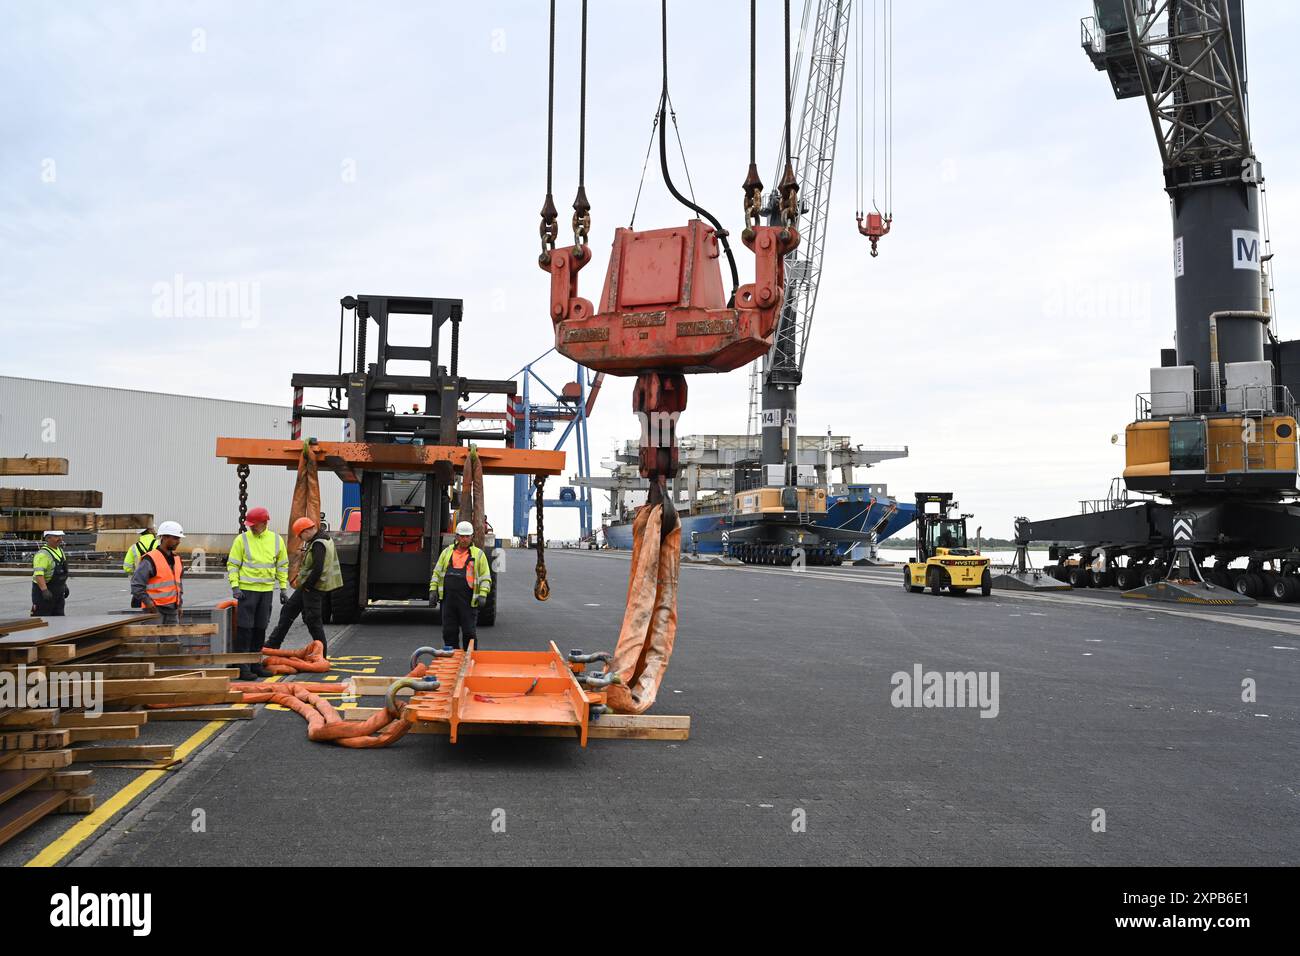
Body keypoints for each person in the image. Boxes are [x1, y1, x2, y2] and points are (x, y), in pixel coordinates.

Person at [225, 506, 287, 680]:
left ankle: (256, 664)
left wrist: (283, 588)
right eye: (250, 524)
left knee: (260, 628)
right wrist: (235, 586)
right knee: (245, 629)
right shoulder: (242, 539)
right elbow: (233, 564)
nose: (251, 527)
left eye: (254, 524)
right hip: (246, 592)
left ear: (265, 522)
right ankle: (243, 666)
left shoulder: (276, 540)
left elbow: (282, 566)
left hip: (266, 592)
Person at [266, 516, 342, 655]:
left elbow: (318, 568)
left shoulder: (318, 544)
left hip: (313, 588)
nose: (302, 539)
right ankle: (273, 644)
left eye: (301, 535)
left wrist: (307, 586)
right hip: (309, 586)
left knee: (312, 619)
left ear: (306, 531)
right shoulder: (323, 539)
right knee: (289, 610)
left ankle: (321, 654)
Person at [429, 520, 492, 650]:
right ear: (456, 536)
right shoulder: (447, 553)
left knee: (469, 633)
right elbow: (437, 572)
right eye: (461, 536)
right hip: (448, 601)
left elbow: (486, 577)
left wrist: (483, 594)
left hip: (468, 602)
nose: (464, 539)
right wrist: (433, 590)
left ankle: (470, 658)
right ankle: (452, 658)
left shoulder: (478, 555)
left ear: (472, 537)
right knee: (449, 632)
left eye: (467, 536)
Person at [130, 521, 186, 625]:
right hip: (154, 609)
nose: (178, 541)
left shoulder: (177, 559)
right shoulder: (150, 559)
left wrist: (179, 605)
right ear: (164, 537)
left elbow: (179, 585)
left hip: (172, 609)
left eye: (179, 538)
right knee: (151, 640)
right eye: (175, 538)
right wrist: (149, 604)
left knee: (172, 640)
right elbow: (136, 585)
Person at [31, 530, 69, 617]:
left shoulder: (60, 551)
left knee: (59, 617)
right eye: (56, 536)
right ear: (48, 538)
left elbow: (61, 571)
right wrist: (44, 590)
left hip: (58, 593)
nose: (60, 539)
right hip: (44, 593)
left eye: (60, 536)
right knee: (42, 618)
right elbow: (39, 575)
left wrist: (64, 586)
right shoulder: (42, 555)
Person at [123, 526, 158, 608]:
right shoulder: (159, 544)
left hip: (140, 586)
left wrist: (137, 573)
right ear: (150, 530)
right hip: (158, 587)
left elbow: (127, 567)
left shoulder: (133, 548)